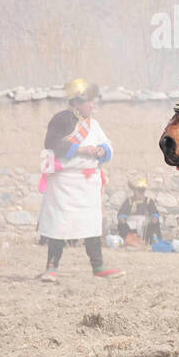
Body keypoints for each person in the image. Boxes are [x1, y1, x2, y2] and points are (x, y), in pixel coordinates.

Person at [36, 79, 123, 281]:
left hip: (87, 183)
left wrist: (102, 150)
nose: (93, 105)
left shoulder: (94, 125)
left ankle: (98, 266)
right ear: (76, 102)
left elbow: (108, 146)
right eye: (88, 101)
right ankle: (51, 268)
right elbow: (52, 144)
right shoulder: (61, 120)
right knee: (58, 225)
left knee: (92, 224)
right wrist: (82, 149)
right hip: (63, 183)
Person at [116, 178, 162, 246]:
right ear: (135, 191)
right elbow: (122, 212)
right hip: (130, 222)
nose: (140, 193)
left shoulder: (149, 201)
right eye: (139, 191)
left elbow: (154, 211)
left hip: (144, 222)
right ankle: (127, 241)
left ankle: (151, 242)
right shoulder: (129, 201)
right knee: (122, 225)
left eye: (142, 191)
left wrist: (155, 217)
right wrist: (122, 219)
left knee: (155, 224)